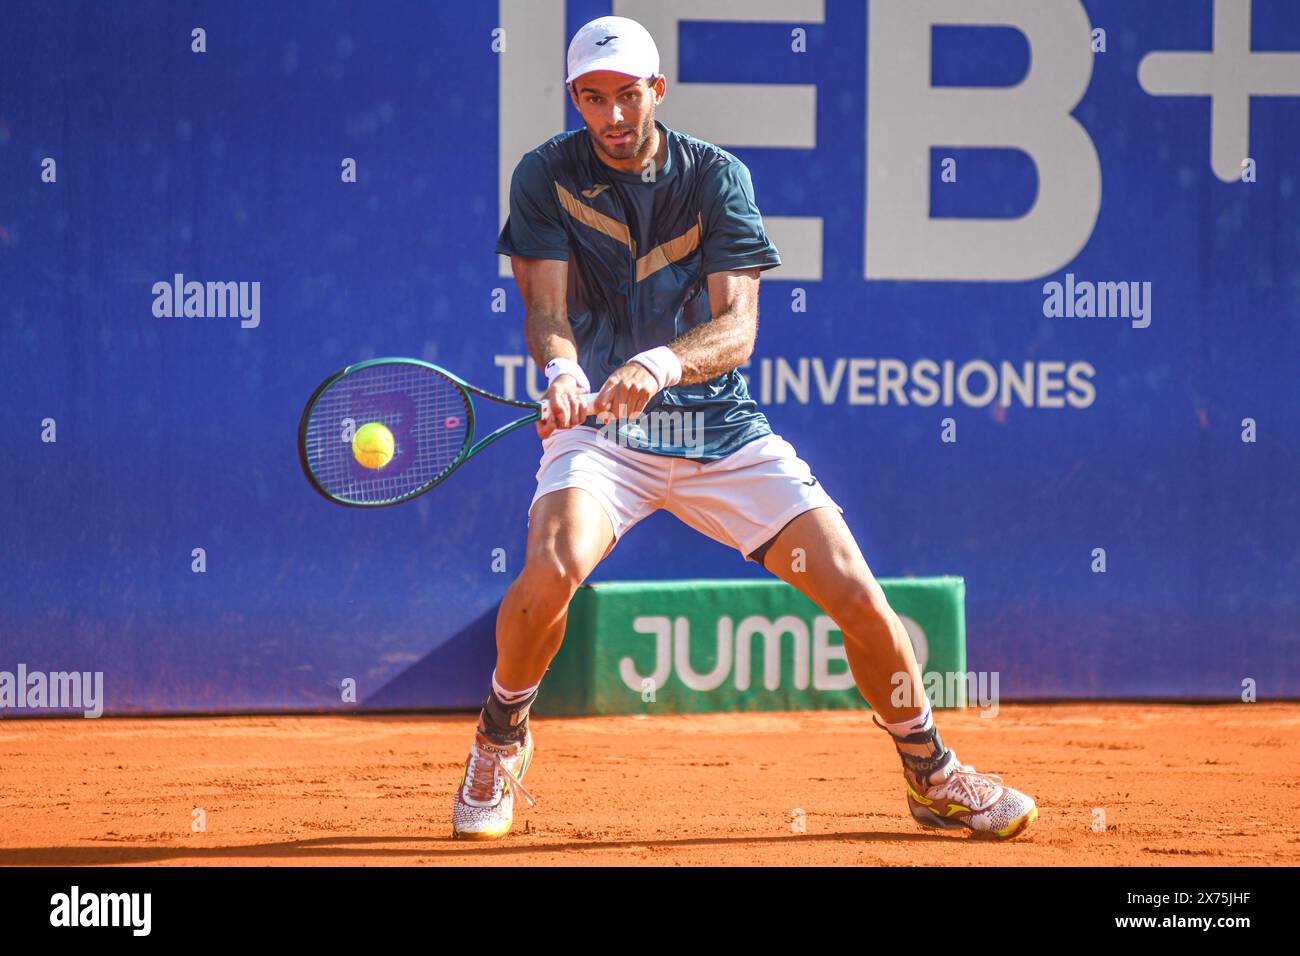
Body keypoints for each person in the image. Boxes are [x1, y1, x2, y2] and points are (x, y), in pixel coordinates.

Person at [453, 15, 1037, 841]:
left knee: (857, 595)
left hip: (716, 431)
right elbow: (546, 309)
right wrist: (564, 374)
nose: (612, 117)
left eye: (627, 96)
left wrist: (656, 365)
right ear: (575, 98)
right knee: (549, 571)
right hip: (603, 437)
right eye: (593, 99)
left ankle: (932, 771)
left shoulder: (716, 178)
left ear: (657, 91)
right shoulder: (546, 174)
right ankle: (500, 737)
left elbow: (738, 328)